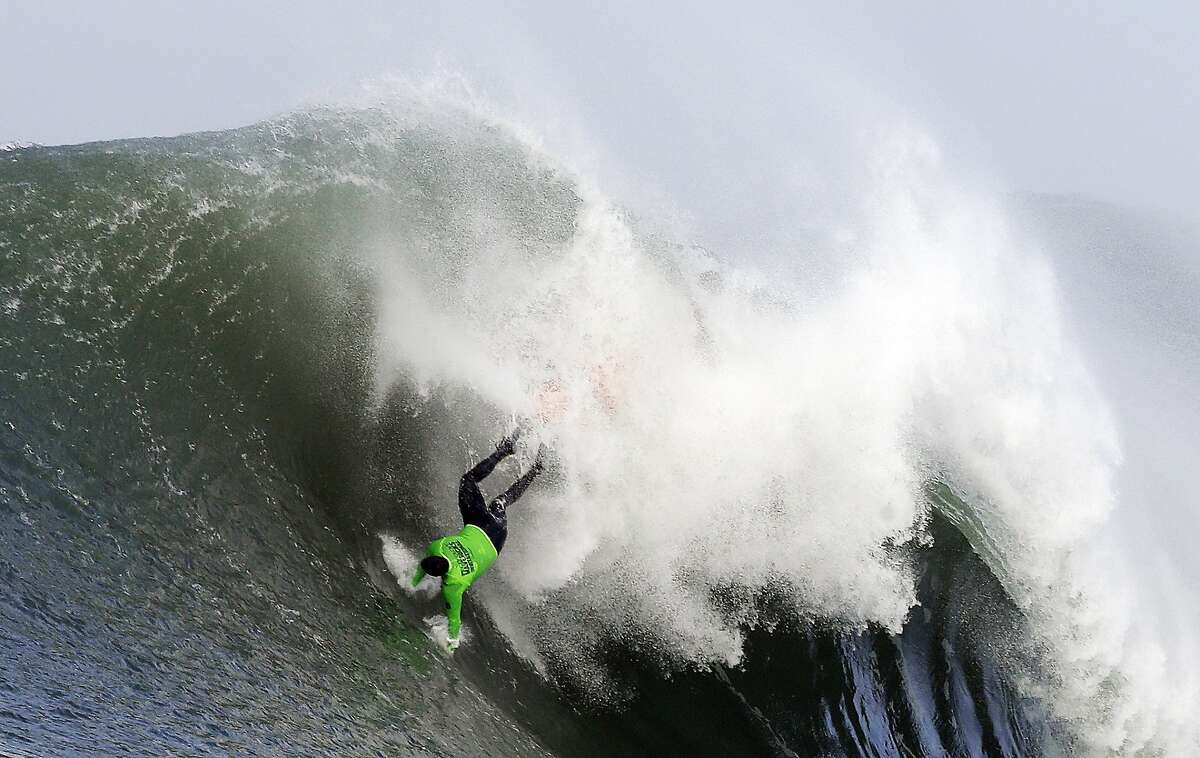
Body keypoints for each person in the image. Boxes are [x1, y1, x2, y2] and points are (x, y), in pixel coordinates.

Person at [411, 433, 543, 652]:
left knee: (498, 501)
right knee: (477, 486)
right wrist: (414, 582)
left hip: (490, 535)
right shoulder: (439, 547)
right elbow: (424, 565)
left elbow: (454, 621)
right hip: (490, 534)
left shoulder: (454, 586)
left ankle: (530, 466)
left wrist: (451, 645)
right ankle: (514, 456)